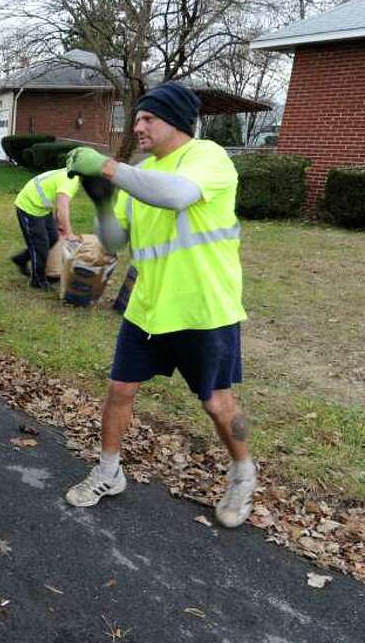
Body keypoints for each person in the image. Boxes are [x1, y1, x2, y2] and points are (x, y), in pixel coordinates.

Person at [63, 82, 255, 528]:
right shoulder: (139, 172)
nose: (139, 126)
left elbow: (175, 195)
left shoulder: (207, 157)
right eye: (137, 119)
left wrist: (109, 168)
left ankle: (244, 471)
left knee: (217, 403)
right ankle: (109, 472)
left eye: (148, 118)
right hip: (147, 308)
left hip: (204, 310)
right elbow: (114, 241)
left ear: (176, 121)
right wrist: (102, 200)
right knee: (119, 391)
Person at [11, 167, 81, 288]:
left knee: (53, 238)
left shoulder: (71, 174)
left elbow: (57, 200)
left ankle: (21, 259)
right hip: (29, 207)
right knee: (40, 246)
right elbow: (62, 208)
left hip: (43, 207)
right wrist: (69, 233)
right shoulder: (71, 180)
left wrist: (59, 225)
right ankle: (37, 281)